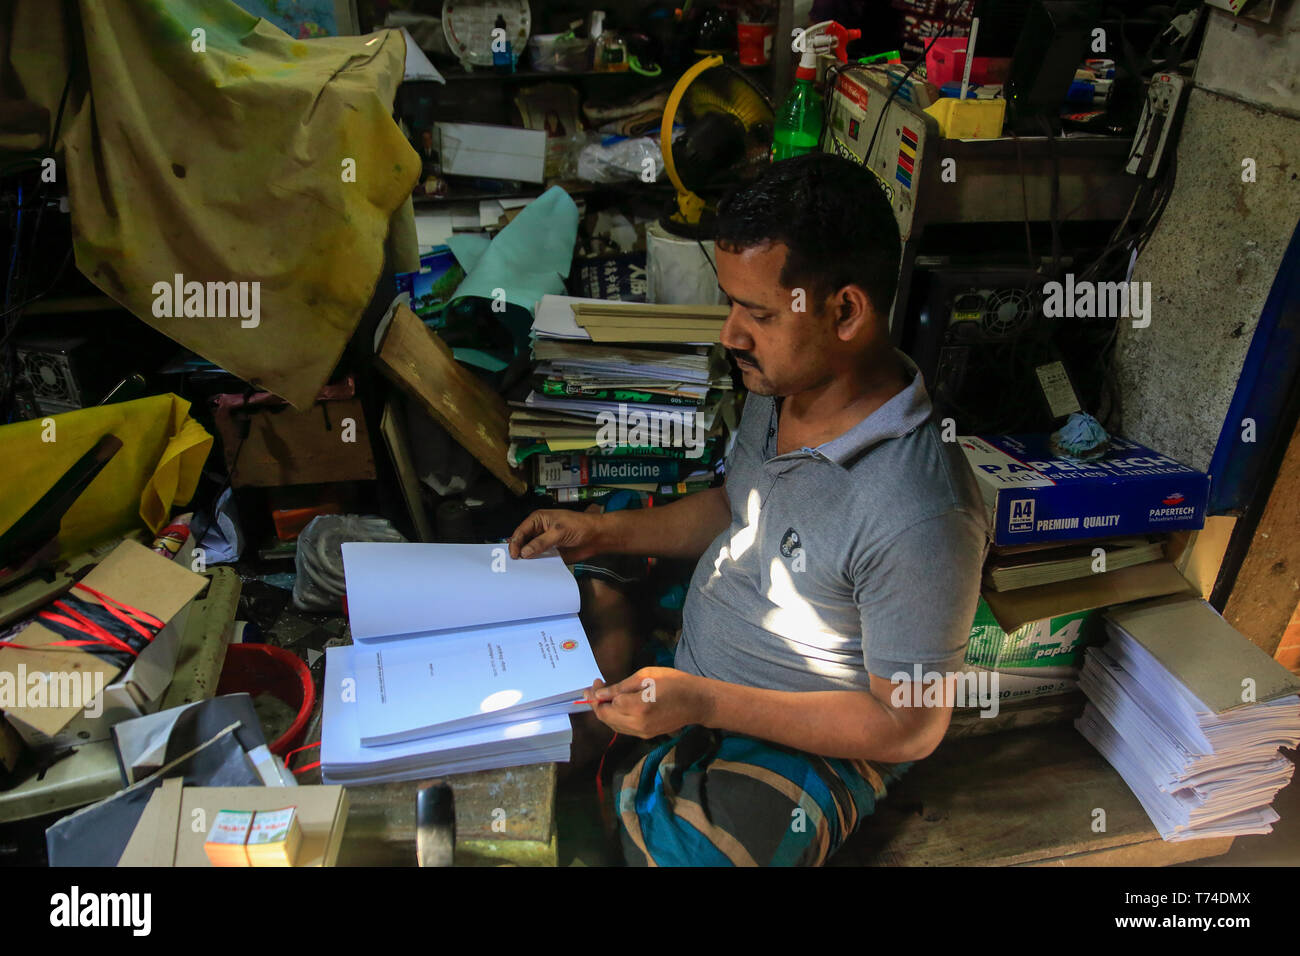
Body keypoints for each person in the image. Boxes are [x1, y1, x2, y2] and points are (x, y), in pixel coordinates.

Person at [508, 152, 988, 865]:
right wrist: (601, 532)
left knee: (704, 854)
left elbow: (908, 728)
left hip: (804, 730)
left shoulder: (922, 512)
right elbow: (741, 506)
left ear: (846, 310)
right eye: (732, 304)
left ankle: (623, 702)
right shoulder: (780, 389)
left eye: (757, 313)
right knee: (547, 565)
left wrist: (703, 703)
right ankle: (622, 682)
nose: (730, 334)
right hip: (701, 666)